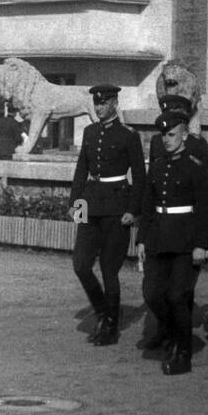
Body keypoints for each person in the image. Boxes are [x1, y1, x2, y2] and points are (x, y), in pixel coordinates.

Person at [137, 109, 208, 375]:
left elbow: (205, 209)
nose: (167, 140)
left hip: (186, 240)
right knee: (152, 294)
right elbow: (148, 205)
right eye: (163, 135)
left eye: (172, 134)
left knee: (177, 296)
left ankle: (183, 353)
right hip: (159, 238)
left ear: (184, 135)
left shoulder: (195, 166)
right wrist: (142, 240)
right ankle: (171, 331)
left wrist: (201, 244)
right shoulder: (157, 166)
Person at [68, 83, 146, 346]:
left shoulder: (128, 135)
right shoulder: (89, 132)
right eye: (96, 103)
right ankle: (102, 309)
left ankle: (110, 326)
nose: (99, 107)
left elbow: (140, 176)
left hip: (116, 207)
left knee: (109, 270)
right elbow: (81, 170)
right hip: (91, 205)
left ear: (114, 104)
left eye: (104, 103)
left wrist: (133, 210)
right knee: (80, 265)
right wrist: (75, 202)